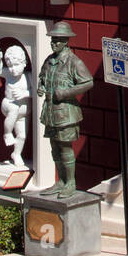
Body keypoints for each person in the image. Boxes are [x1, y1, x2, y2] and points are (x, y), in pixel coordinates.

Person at [35, 21, 94, 198]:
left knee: (65, 147)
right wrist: (41, 86)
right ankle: (60, 181)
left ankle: (70, 183)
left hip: (66, 113)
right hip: (51, 112)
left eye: (58, 41)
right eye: (53, 40)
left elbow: (88, 82)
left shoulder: (74, 62)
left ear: (66, 42)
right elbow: (42, 78)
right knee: (54, 147)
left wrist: (66, 93)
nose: (54, 43)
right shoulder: (49, 60)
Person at [0, 43, 30, 167]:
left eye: (17, 65)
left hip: (24, 112)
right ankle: (7, 133)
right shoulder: (8, 74)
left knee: (22, 136)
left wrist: (25, 93)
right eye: (10, 66)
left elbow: (36, 91)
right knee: (14, 108)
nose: (13, 69)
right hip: (8, 104)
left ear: (24, 63)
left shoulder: (28, 76)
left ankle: (16, 154)